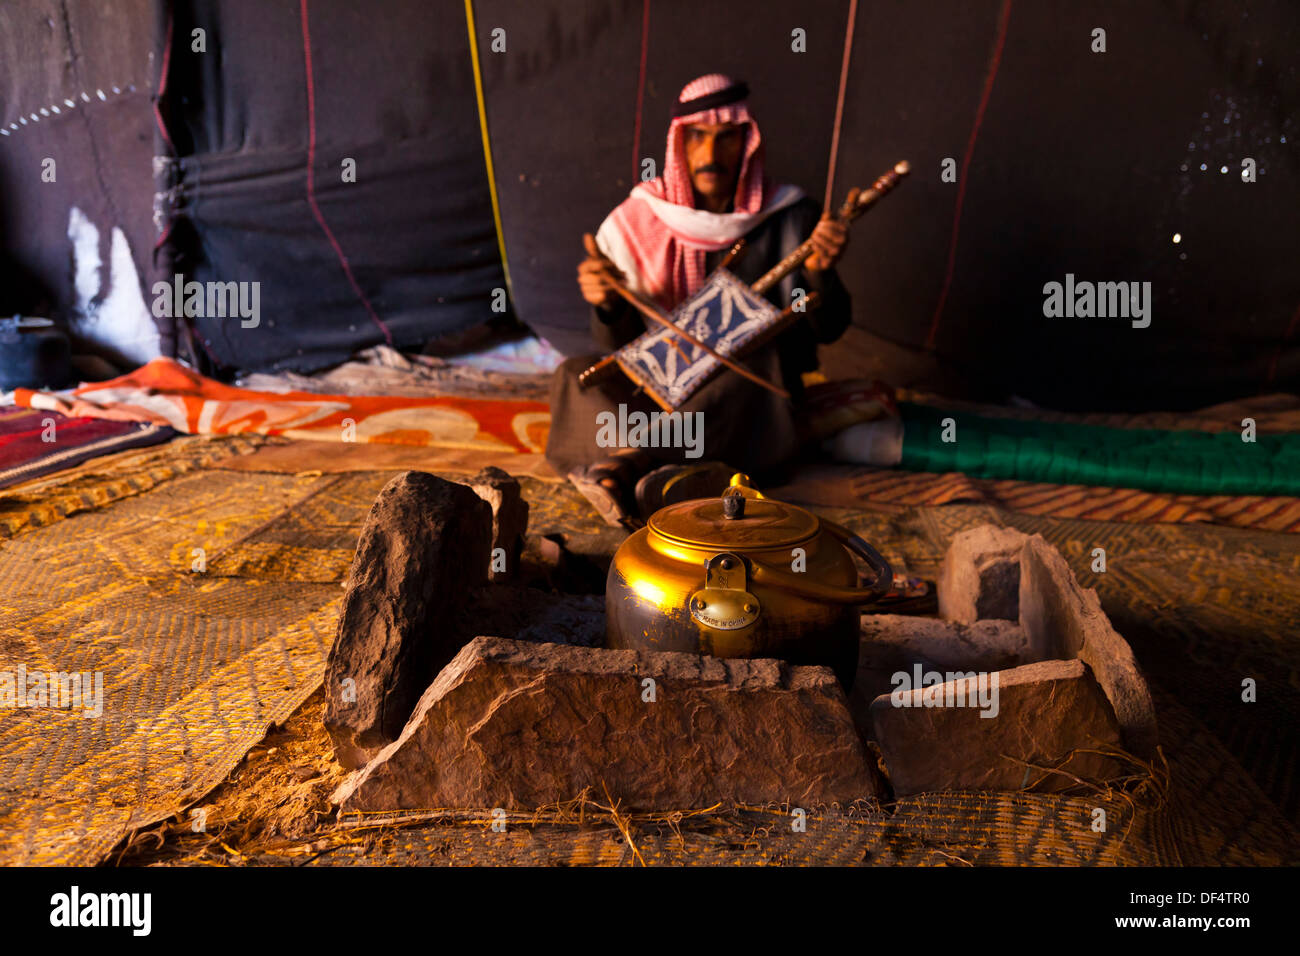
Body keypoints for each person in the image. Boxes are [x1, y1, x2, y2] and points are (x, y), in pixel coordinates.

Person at [545, 73, 852, 523]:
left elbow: (829, 330)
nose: (711, 156)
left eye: (726, 139)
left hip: (741, 393)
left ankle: (628, 464)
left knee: (745, 356)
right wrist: (607, 303)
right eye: (698, 139)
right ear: (678, 145)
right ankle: (669, 469)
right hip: (660, 387)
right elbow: (618, 345)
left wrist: (819, 275)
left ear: (747, 143)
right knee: (576, 375)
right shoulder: (638, 219)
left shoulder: (790, 216)